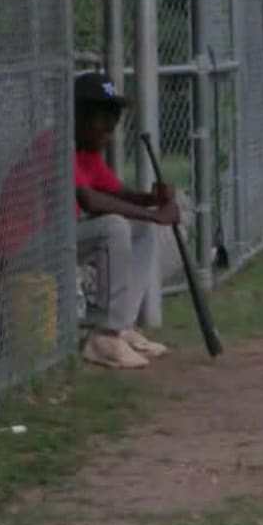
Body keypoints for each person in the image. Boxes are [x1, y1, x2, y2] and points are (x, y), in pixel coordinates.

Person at [71, 70, 175, 369]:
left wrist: (154, 199)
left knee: (138, 227)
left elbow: (121, 194)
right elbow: (89, 200)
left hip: (61, 240)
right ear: (79, 116)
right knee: (114, 226)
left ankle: (121, 326)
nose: (110, 130)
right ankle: (103, 337)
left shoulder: (86, 153)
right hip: (29, 251)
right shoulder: (57, 145)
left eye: (114, 121)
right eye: (103, 120)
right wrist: (156, 215)